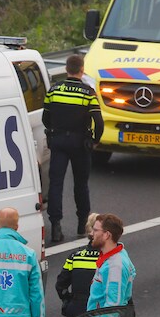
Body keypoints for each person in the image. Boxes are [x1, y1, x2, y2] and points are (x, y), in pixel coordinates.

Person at [43, 53, 104, 244]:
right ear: (82, 70)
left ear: (66, 70)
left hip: (59, 141)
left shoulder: (54, 90)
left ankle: (56, 227)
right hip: (80, 143)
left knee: (56, 184)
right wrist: (94, 140)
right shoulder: (88, 92)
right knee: (81, 184)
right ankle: (82, 225)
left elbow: (46, 118)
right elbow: (99, 122)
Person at [85, 213, 136, 317]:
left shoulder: (115, 266)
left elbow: (113, 306)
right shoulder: (110, 258)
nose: (91, 233)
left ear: (107, 235)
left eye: (95, 230)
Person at [55, 212, 100, 317]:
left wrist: (69, 300)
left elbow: (60, 285)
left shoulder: (75, 257)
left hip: (76, 310)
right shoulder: (110, 259)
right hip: (100, 311)